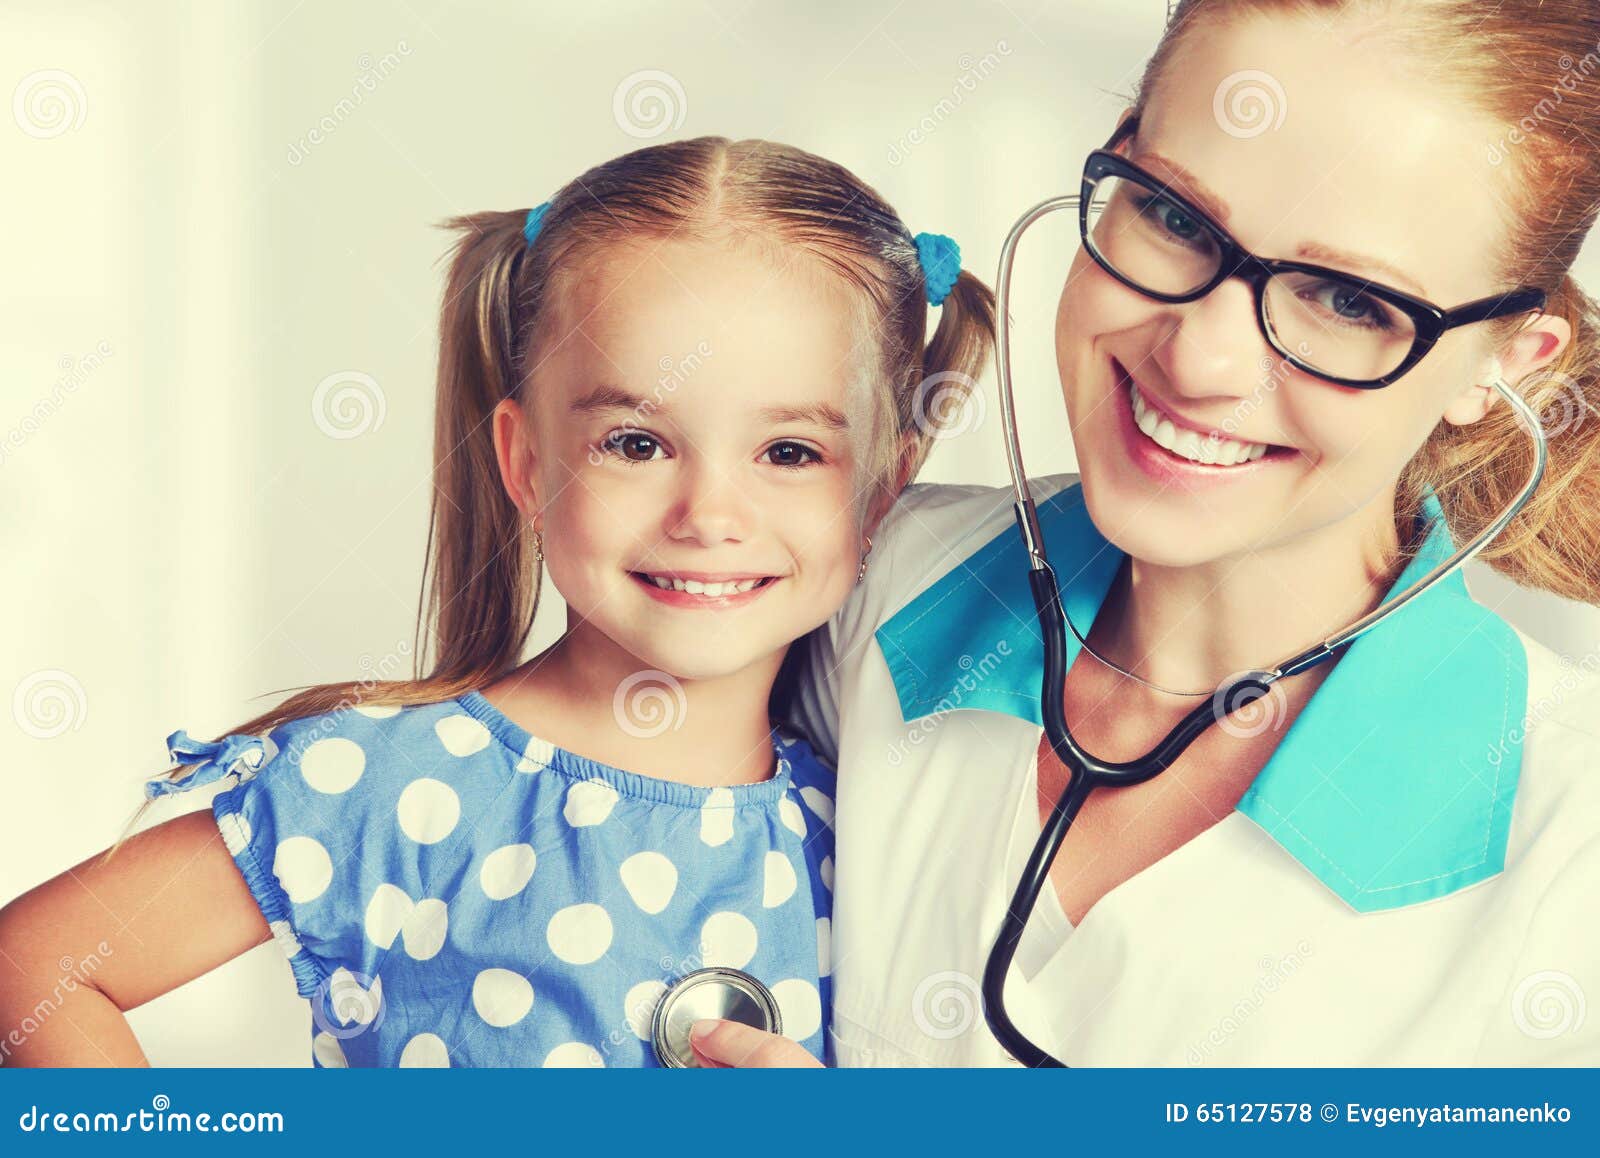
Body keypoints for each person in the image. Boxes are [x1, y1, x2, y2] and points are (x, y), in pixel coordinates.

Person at [690, 0, 1600, 1067]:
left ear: (1507, 366)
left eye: (1347, 301)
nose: (1201, 360)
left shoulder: (1567, 847)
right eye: (1174, 218)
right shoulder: (862, 586)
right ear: (1118, 157)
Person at [0, 136, 996, 1067]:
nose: (708, 514)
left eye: (789, 453)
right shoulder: (383, 785)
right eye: (636, 444)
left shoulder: (871, 828)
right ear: (526, 461)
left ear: (878, 492)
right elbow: (32, 968)